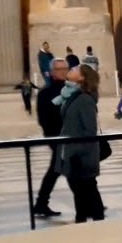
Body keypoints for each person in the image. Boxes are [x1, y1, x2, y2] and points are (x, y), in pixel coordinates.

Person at [59, 64, 105, 223]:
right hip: (72, 151)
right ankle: (84, 220)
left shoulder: (84, 99)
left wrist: (77, 152)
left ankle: (90, 221)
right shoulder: (71, 95)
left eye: (75, 69)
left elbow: (90, 130)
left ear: (82, 77)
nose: (71, 69)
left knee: (87, 190)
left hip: (81, 155)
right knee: (81, 191)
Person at [33, 57, 69, 217]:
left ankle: (41, 203)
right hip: (56, 136)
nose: (62, 72)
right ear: (52, 72)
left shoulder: (72, 90)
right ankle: (91, 204)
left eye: (65, 69)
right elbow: (43, 119)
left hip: (71, 135)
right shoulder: (45, 93)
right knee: (62, 169)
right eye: (59, 69)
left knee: (57, 169)